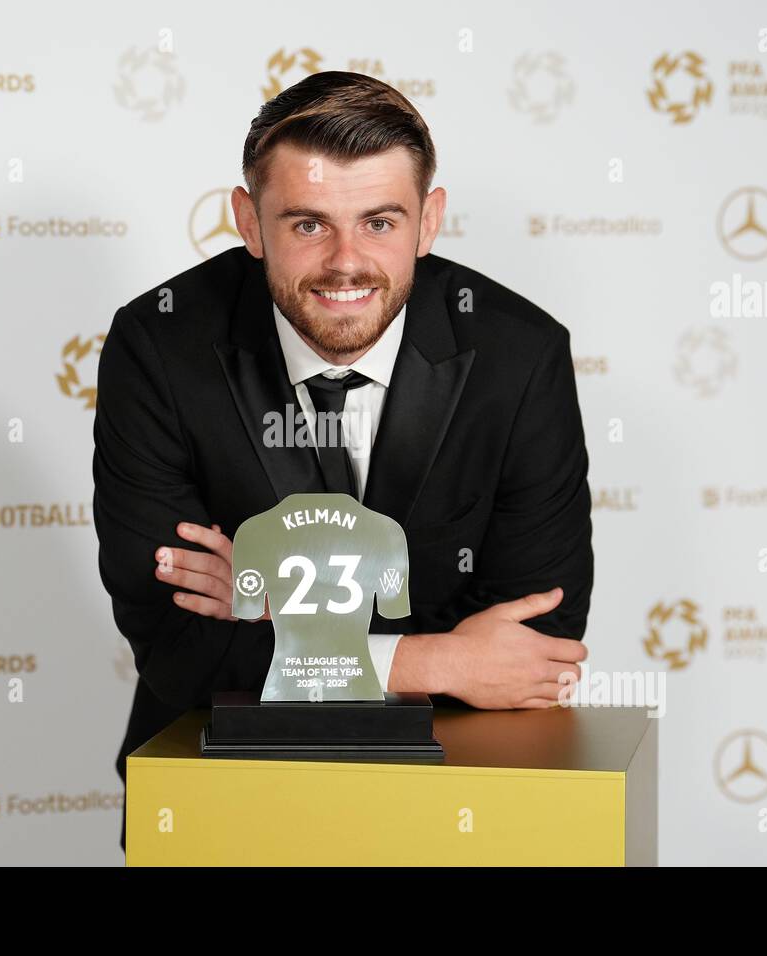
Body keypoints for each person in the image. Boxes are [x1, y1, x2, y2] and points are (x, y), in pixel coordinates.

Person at [93, 71, 593, 851]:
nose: (346, 263)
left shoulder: (519, 356)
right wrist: (441, 657)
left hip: (455, 792)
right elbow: (178, 646)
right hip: (221, 792)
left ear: (429, 221)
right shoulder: (158, 347)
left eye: (380, 222)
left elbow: (537, 644)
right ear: (248, 222)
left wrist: (273, 607)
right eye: (306, 226)